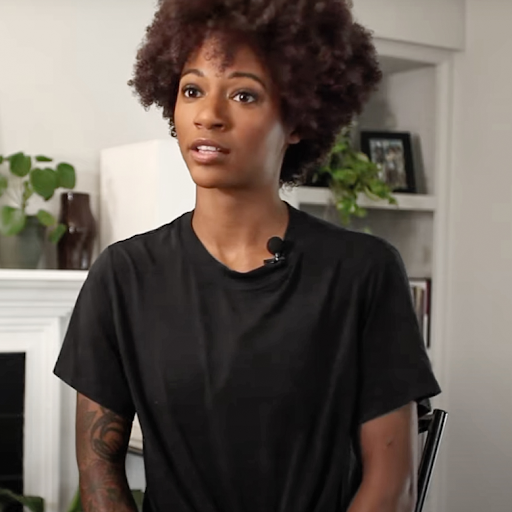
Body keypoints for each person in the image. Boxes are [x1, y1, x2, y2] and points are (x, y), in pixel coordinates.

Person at [54, 0, 441, 511]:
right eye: (192, 90)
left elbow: (392, 483)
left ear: (299, 117)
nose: (209, 116)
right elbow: (98, 467)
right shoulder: (123, 276)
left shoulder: (362, 273)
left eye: (243, 94)